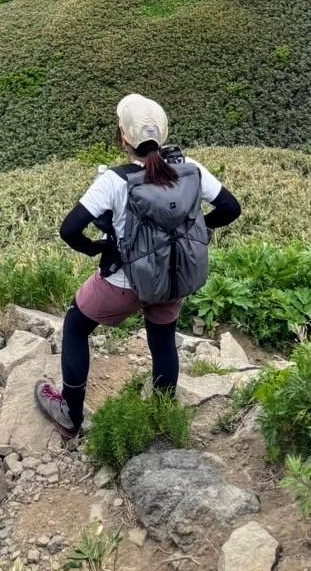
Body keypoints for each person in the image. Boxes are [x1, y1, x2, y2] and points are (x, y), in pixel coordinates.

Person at [34, 93, 242, 439]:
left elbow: (69, 230)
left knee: (75, 324)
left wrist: (100, 248)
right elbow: (231, 209)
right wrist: (198, 229)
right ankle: (161, 420)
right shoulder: (190, 169)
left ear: (124, 137)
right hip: (171, 279)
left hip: (124, 282)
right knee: (162, 343)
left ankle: (70, 413)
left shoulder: (114, 181)